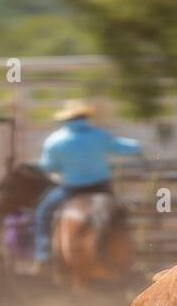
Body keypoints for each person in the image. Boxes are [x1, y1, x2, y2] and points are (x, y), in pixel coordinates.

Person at [32, 99, 141, 269]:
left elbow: (48, 166)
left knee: (43, 212)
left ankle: (43, 254)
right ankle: (131, 253)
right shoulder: (99, 135)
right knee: (121, 214)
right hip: (101, 188)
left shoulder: (55, 140)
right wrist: (137, 147)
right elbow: (123, 147)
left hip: (71, 189)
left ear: (66, 119)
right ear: (85, 116)